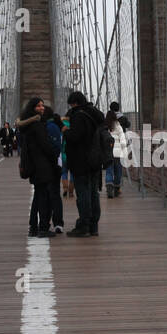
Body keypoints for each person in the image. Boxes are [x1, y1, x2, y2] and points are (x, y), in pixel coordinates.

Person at [63, 90, 107, 237]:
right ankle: (94, 226)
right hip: (95, 160)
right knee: (94, 193)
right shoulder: (95, 114)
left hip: (81, 161)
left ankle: (84, 226)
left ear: (74, 103)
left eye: (71, 104)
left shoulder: (78, 116)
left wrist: (65, 131)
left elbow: (75, 137)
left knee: (83, 194)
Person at [15, 97, 59, 238]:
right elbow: (45, 146)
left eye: (42, 105)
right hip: (42, 166)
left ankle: (33, 227)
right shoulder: (38, 126)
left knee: (38, 196)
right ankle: (43, 228)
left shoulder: (27, 126)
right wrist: (54, 157)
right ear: (32, 108)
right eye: (38, 106)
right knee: (44, 197)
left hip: (33, 166)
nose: (42, 108)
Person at [45, 111, 66, 234]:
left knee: (47, 194)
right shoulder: (60, 129)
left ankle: (46, 222)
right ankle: (58, 223)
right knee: (55, 194)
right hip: (59, 163)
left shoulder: (50, 128)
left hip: (51, 165)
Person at [105, 108, 130, 198]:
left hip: (107, 153)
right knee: (118, 171)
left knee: (109, 171)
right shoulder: (118, 126)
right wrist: (125, 152)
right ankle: (116, 187)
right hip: (117, 153)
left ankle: (109, 186)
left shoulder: (105, 127)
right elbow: (123, 140)